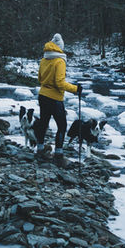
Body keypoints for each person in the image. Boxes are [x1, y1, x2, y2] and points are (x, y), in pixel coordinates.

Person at [34, 33, 82, 164]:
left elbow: (39, 78)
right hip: (55, 98)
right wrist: (76, 89)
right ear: (60, 47)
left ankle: (40, 150)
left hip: (42, 95)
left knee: (44, 123)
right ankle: (58, 155)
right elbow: (59, 83)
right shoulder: (59, 61)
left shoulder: (44, 59)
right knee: (62, 126)